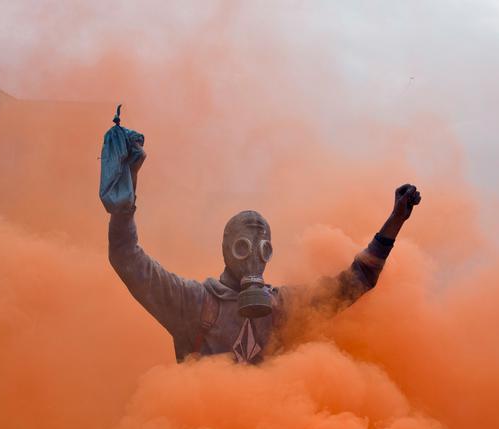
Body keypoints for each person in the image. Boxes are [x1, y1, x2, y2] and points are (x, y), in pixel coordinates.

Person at [106, 135, 420, 363]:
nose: (254, 257)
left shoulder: (282, 307)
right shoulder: (192, 302)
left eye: (263, 249)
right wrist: (124, 205)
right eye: (243, 247)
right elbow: (126, 256)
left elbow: (355, 282)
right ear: (227, 250)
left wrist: (395, 221)